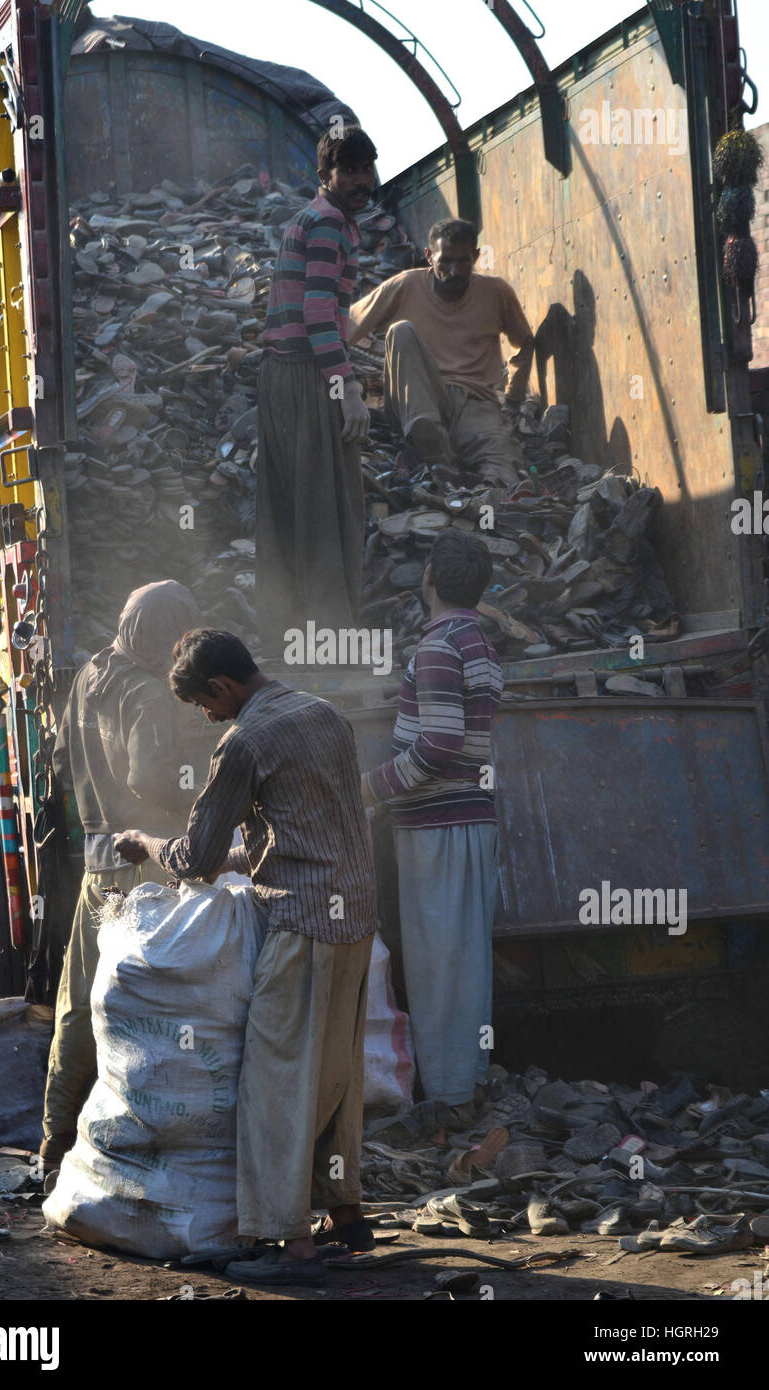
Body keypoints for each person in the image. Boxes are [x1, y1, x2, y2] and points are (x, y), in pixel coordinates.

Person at [114, 630, 378, 1284]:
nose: (206, 719)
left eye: (204, 706)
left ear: (221, 689)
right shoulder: (322, 713)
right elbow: (288, 837)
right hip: (356, 919)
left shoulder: (244, 741)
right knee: (334, 1077)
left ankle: (293, 1247)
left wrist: (145, 842)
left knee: (275, 1086)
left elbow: (198, 858)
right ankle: (346, 1217)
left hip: (302, 923)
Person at [39, 580, 201, 1177]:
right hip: (147, 865)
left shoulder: (89, 676)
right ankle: (141, 1141)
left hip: (97, 862)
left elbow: (59, 763)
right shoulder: (147, 694)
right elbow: (151, 779)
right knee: (149, 1005)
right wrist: (206, 785)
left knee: (80, 1000)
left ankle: (57, 1140)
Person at [361, 532, 502, 1124]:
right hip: (467, 818)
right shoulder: (480, 642)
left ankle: (447, 1100)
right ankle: (463, 1087)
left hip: (438, 825)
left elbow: (439, 743)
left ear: (430, 581)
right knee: (464, 960)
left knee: (438, 964)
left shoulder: (440, 646)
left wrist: (369, 790)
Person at [256, 123, 377, 656]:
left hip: (283, 375)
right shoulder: (328, 224)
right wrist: (346, 387)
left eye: (365, 169)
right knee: (329, 503)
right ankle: (334, 640)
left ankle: (287, 636)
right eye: (348, 170)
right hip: (307, 376)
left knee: (290, 506)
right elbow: (317, 314)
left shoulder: (319, 219)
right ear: (325, 175)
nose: (360, 180)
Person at [349, 217, 534, 489]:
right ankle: (435, 451)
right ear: (428, 256)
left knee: (504, 461)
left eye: (463, 261)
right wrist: (339, 388)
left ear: (476, 256)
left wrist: (514, 399)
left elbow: (525, 342)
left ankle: (480, 497)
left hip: (474, 401)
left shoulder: (495, 293)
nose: (455, 270)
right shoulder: (405, 286)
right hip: (416, 401)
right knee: (401, 332)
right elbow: (344, 329)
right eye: (445, 260)